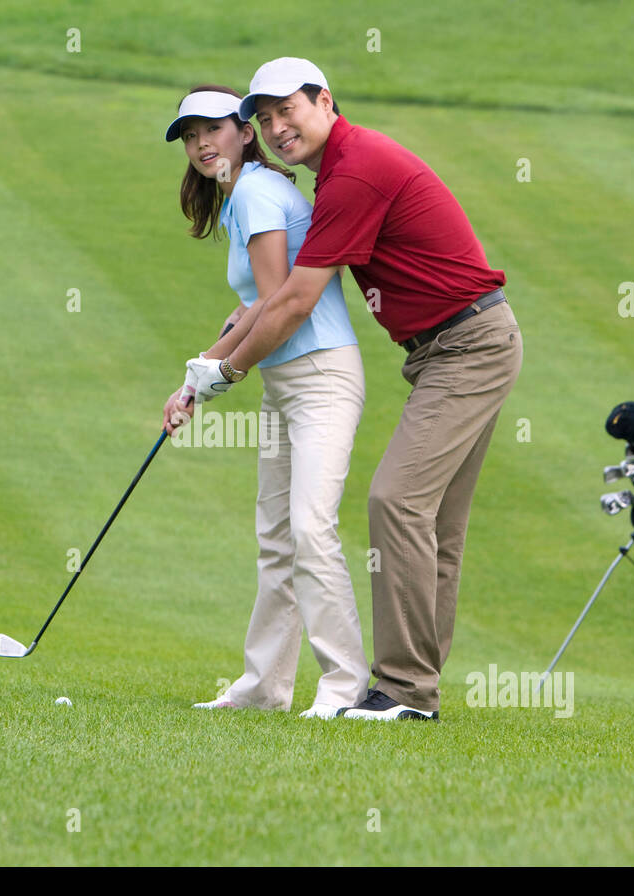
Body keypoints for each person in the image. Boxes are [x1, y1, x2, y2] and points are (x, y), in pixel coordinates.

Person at [182, 59, 523, 720]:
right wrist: (215, 356)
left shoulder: (355, 170)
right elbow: (271, 298)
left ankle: (401, 689)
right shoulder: (332, 175)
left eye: (290, 111)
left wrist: (224, 373)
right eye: (268, 117)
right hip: (445, 350)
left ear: (324, 101)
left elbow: (292, 305)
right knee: (435, 527)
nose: (279, 128)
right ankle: (411, 688)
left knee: (395, 502)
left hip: (468, 345)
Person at [161, 85, 370, 718]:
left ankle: (344, 687)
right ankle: (263, 689)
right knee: (277, 538)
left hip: (321, 377)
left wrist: (223, 373)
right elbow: (254, 306)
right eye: (190, 134)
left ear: (244, 132)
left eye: (214, 129)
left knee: (309, 528)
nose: (202, 144)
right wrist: (197, 378)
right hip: (288, 381)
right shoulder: (244, 197)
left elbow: (279, 303)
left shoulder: (253, 192)